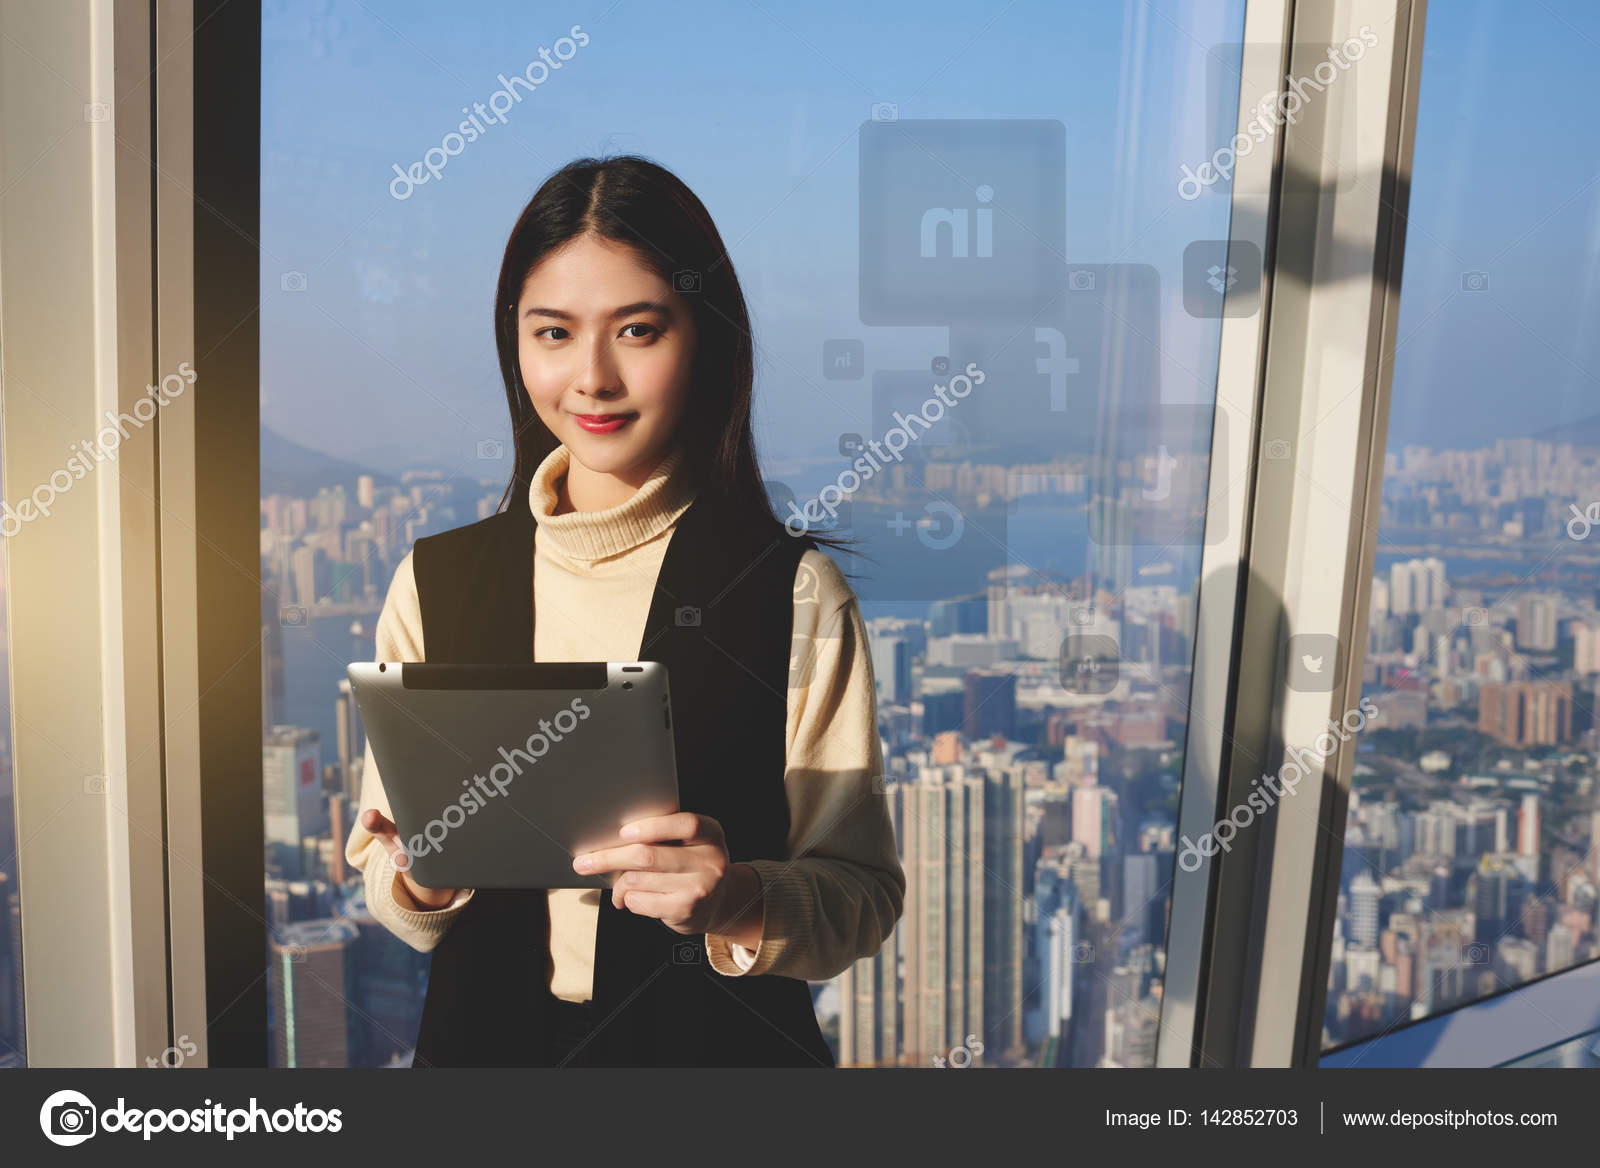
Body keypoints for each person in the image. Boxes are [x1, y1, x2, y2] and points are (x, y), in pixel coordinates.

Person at [344, 155, 905, 1067]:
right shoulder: (436, 581)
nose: (592, 379)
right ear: (514, 344)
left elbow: (863, 896)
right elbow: (394, 886)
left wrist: (736, 900)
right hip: (481, 1059)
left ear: (706, 339)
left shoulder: (791, 594)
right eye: (553, 333)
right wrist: (416, 874)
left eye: (638, 331)